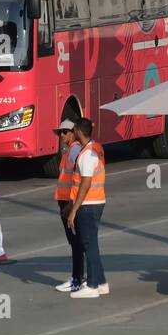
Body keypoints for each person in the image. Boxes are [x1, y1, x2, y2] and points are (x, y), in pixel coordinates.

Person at [65, 118, 108, 299]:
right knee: (92, 245)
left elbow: (86, 182)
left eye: (74, 129)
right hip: (95, 202)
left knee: (88, 245)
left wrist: (74, 209)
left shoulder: (87, 154)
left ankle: (92, 286)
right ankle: (101, 282)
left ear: (78, 131)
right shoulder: (93, 148)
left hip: (88, 204)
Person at [53, 119, 85, 294]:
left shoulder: (74, 150)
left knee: (76, 243)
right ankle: (77, 277)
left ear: (74, 132)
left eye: (65, 132)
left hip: (69, 203)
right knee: (75, 243)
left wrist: (73, 205)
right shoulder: (68, 151)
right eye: (60, 132)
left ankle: (77, 279)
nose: (62, 135)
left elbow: (77, 175)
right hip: (65, 201)